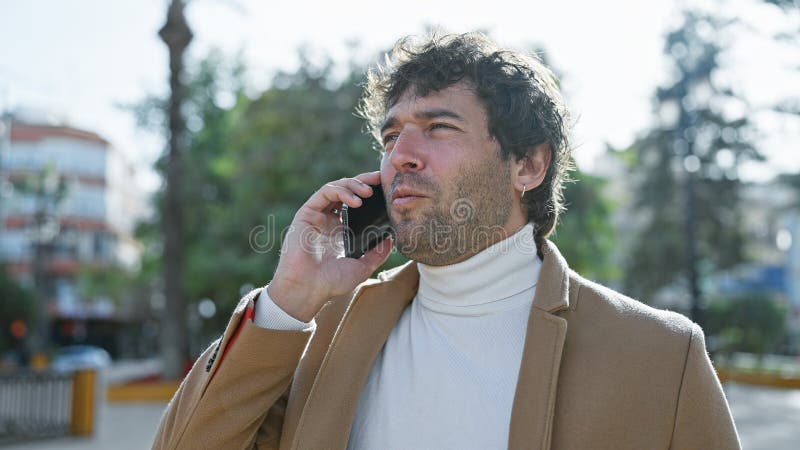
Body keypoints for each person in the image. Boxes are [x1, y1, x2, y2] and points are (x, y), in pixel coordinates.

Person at [153, 33, 740, 450]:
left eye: (439, 128)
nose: (399, 155)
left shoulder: (662, 357)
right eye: (391, 135)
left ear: (529, 166)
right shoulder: (320, 333)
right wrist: (286, 302)